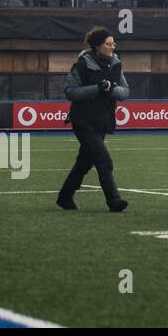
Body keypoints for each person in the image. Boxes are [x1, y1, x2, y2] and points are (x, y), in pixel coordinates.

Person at [57, 27, 129, 212]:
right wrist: (97, 88)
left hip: (103, 121)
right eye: (108, 43)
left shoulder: (116, 64)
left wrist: (111, 89)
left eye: (113, 43)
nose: (112, 46)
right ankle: (114, 200)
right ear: (97, 46)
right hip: (83, 121)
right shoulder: (82, 65)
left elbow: (125, 92)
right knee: (104, 161)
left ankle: (65, 197)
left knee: (84, 162)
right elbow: (70, 92)